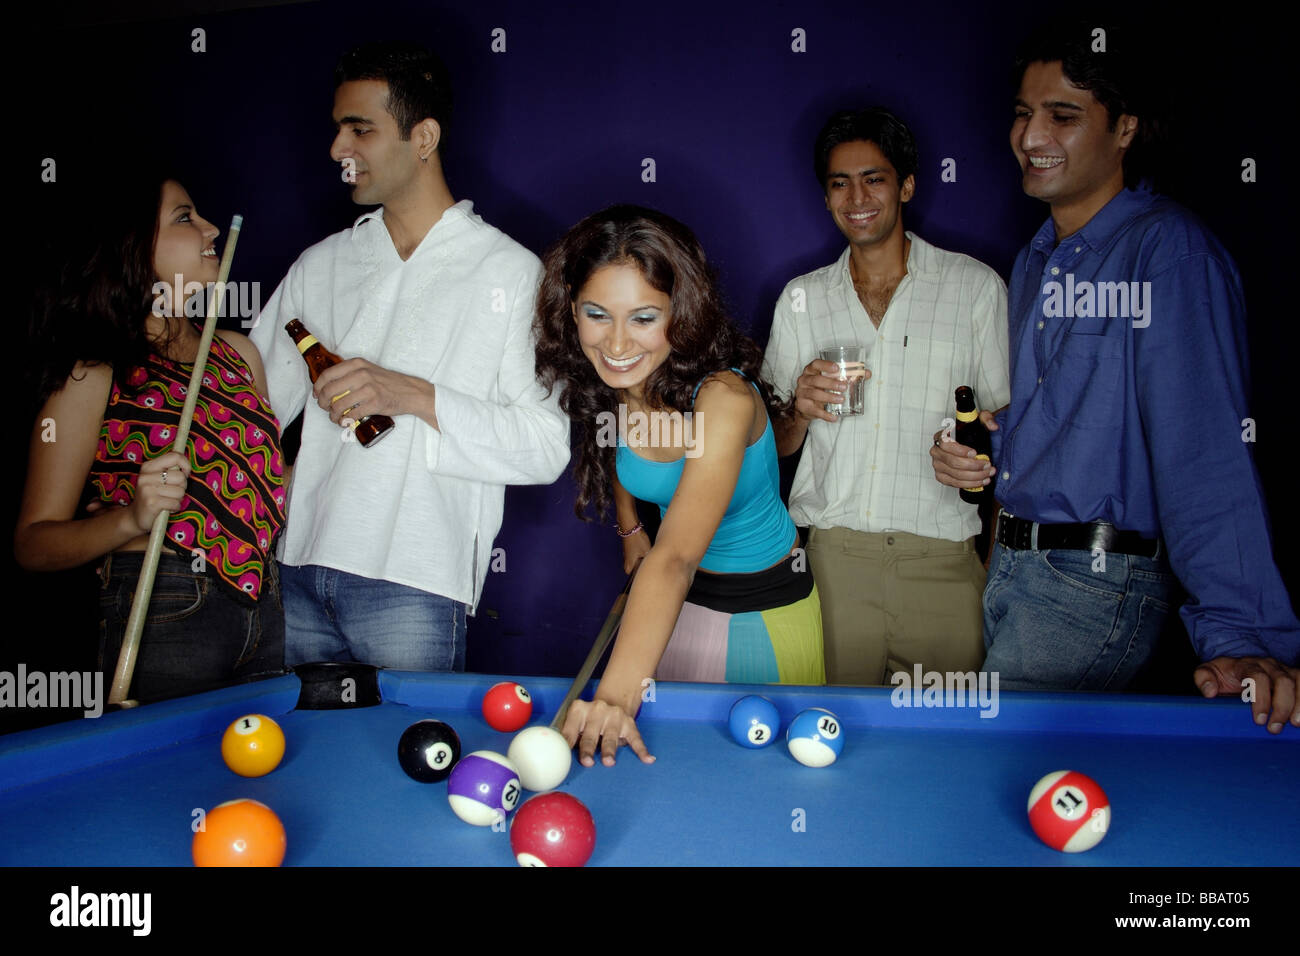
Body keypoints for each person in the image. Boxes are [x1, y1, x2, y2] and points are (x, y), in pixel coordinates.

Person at [930, 18, 1299, 733]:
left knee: (995, 777)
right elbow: (1059, 426)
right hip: (1011, 569)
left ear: (1126, 128)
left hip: (1091, 585)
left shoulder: (1168, 253)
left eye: (1062, 116)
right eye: (1021, 113)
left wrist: (1246, 641)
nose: (1031, 136)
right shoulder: (1036, 257)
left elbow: (1206, 456)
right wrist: (977, 454)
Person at [249, 42, 569, 672]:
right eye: (337, 129)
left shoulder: (510, 271)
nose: (338, 150)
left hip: (416, 582)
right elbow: (247, 412)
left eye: (359, 129)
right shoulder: (319, 264)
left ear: (423, 137)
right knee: (300, 771)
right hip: (296, 569)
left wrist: (413, 395)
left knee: (404, 764)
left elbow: (546, 446)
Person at [535, 204, 824, 767]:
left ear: (681, 313)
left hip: (761, 612)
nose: (617, 343)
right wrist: (631, 529)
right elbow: (626, 460)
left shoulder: (724, 400)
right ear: (571, 309)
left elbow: (675, 559)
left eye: (644, 317)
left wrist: (614, 696)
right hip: (677, 606)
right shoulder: (621, 384)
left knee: (757, 782)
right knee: (681, 773)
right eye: (597, 313)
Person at [15, 173, 287, 702]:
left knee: (259, 781)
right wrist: (131, 518)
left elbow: (268, 488)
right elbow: (32, 542)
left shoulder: (238, 354)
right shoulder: (95, 374)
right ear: (132, 248)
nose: (211, 228)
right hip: (166, 597)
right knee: (171, 781)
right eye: (185, 218)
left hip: (268, 603)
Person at [763, 108, 1010, 685]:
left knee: (946, 752)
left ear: (906, 185)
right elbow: (767, 448)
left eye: (873, 178)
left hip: (945, 560)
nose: (857, 197)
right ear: (826, 197)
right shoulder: (801, 297)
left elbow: (1012, 435)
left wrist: (994, 560)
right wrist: (796, 409)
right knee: (826, 733)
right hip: (832, 559)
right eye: (839, 183)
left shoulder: (974, 287)